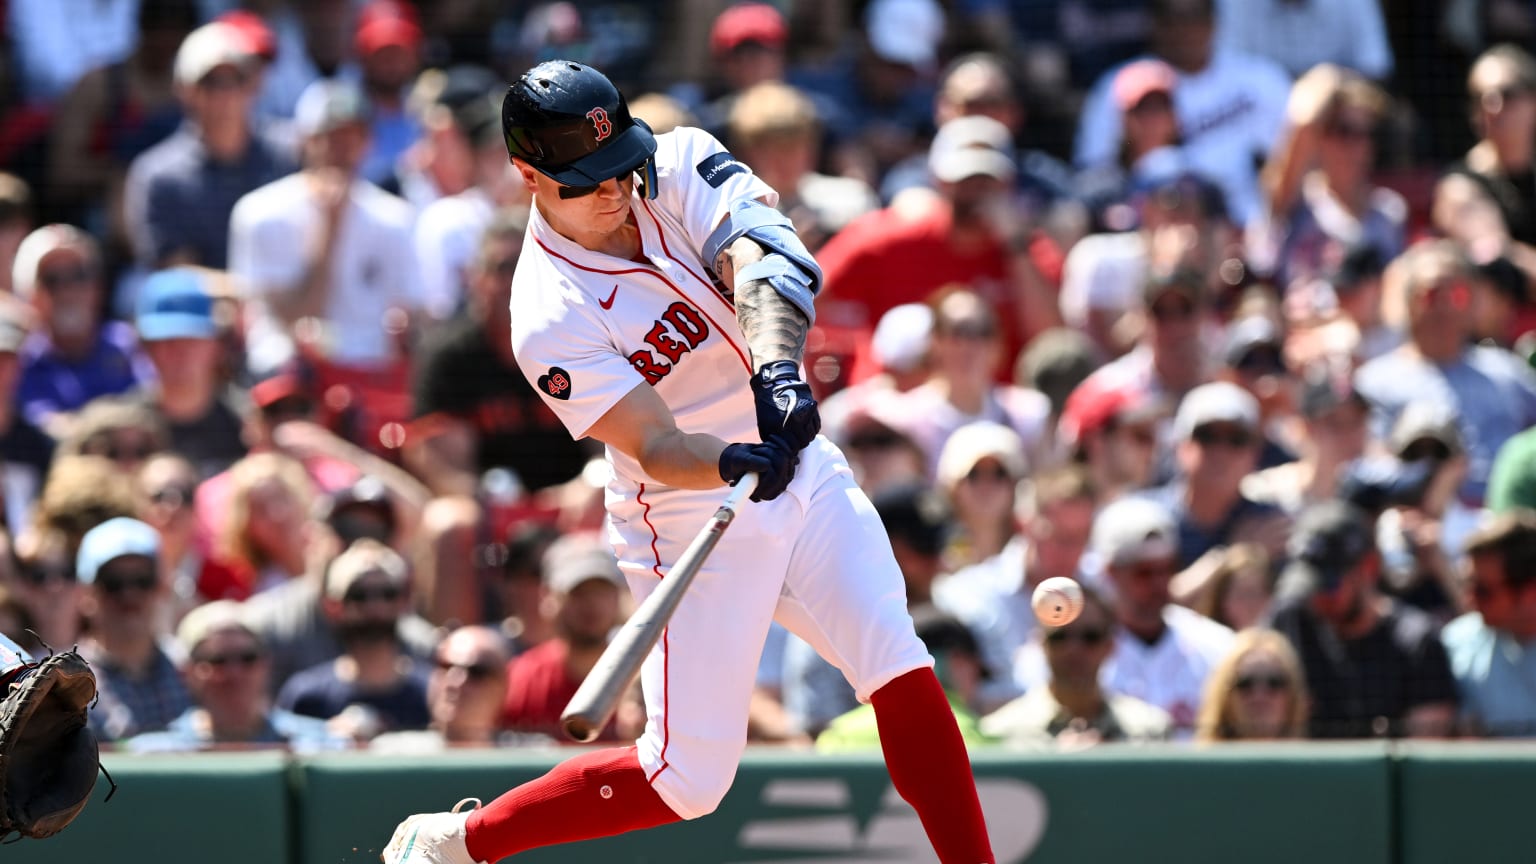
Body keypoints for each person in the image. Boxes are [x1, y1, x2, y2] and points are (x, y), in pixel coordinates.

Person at [381, 60, 995, 864]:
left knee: (895, 657)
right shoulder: (544, 313)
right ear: (528, 175)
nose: (613, 190)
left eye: (618, 166)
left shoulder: (672, 162)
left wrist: (776, 370)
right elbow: (655, 444)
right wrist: (731, 457)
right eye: (585, 180)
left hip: (794, 451)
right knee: (687, 781)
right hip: (683, 508)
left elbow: (766, 259)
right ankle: (461, 843)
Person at [1268, 500, 1459, 738]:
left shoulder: (1416, 643)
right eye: (1308, 586)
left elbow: (1421, 761)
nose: (1316, 598)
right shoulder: (1292, 622)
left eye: (1328, 586)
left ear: (1368, 568)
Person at [126, 600, 347, 752]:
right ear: (188, 673)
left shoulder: (313, 745)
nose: (235, 673)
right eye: (218, 660)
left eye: (247, 657)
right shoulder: (158, 753)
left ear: (266, 664)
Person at [981, 585, 1171, 748]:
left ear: (1110, 645)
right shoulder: (998, 734)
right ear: (1041, 642)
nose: (1073, 649)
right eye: (1060, 636)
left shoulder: (1150, 731)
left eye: (1090, 637)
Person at [499, 534, 636, 743]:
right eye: (577, 592)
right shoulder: (519, 680)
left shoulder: (643, 682)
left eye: (602, 591)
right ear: (548, 598)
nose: (592, 604)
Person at [816, 605, 998, 751]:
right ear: (957, 662)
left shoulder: (840, 733)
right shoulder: (969, 735)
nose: (977, 685)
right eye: (977, 673)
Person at [76, 517, 191, 741]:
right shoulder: (64, 682)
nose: (129, 595)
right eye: (113, 582)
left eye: (142, 580)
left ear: (161, 588)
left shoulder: (191, 669)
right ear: (86, 594)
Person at [1443, 510, 1536, 736]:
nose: (1469, 599)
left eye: (1482, 591)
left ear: (1530, 592)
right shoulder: (1454, 644)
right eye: (1467, 585)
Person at [371, 625, 519, 752]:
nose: (455, 681)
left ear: (504, 686)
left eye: (476, 672)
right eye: (445, 666)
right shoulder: (390, 754)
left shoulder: (526, 761)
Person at [1194, 627, 1310, 742]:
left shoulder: (1314, 760)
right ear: (1226, 697)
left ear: (1292, 696)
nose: (1259, 696)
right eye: (1245, 684)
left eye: (1274, 683)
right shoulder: (1200, 760)